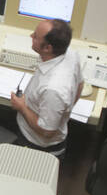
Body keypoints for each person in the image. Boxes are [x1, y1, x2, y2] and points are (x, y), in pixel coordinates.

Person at [8, 19, 83, 155]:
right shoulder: (71, 54)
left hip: (37, 147)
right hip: (32, 133)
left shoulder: (53, 89)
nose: (31, 36)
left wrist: (22, 107)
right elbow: (80, 84)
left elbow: (47, 131)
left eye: (35, 36)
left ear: (48, 48)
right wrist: (64, 111)